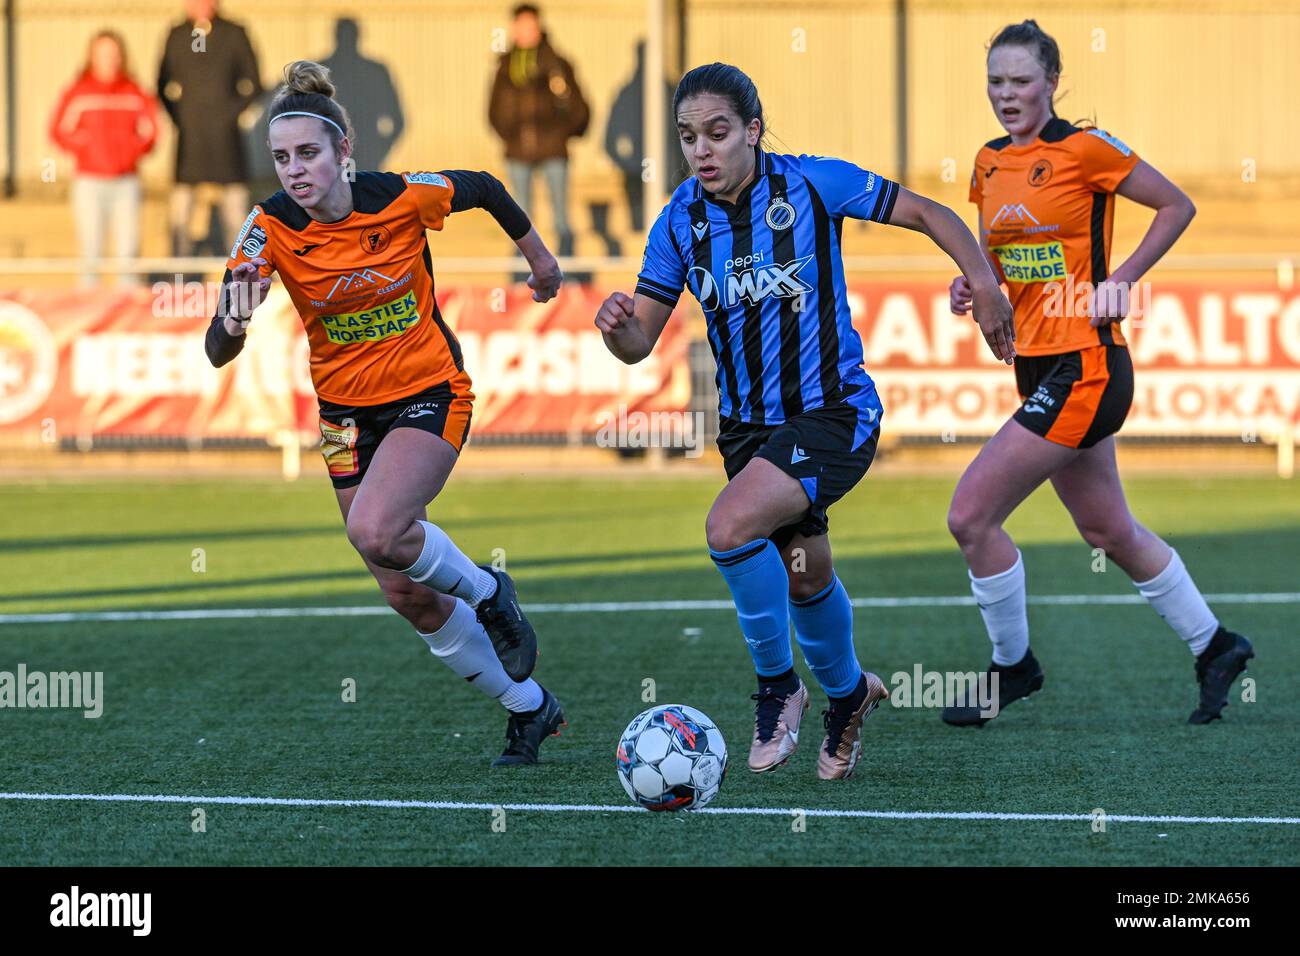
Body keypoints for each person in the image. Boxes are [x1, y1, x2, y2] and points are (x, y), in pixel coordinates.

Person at [596, 63, 1015, 780]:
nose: (703, 150)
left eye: (719, 133)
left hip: (834, 413)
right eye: (689, 136)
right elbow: (641, 342)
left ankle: (778, 686)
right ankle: (850, 695)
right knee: (805, 576)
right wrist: (616, 332)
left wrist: (983, 281)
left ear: (753, 131)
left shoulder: (812, 183)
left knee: (728, 529)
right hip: (748, 432)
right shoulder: (679, 221)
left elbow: (931, 214)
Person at [204, 61, 567, 766]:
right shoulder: (266, 228)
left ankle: (493, 594)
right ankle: (530, 708)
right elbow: (218, 348)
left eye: (308, 153)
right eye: (282, 158)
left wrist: (540, 258)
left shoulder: (400, 197)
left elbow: (488, 187)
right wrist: (235, 319)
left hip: (428, 391)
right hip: (343, 415)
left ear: (345, 152)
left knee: (377, 526)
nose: (295, 170)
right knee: (404, 590)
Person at [943, 20, 1254, 728]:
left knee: (970, 515)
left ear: (1053, 82)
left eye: (1021, 81)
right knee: (1108, 530)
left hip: (1088, 369)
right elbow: (1005, 259)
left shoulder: (1085, 149)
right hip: (1038, 367)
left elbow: (1179, 204)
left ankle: (1011, 667)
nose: (1006, 94)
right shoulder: (988, 163)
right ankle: (1216, 645)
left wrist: (1126, 278)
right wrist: (975, 287)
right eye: (995, 81)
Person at [48, 31, 158, 288]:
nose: (109, 60)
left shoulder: (134, 92)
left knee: (127, 253)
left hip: (126, 184)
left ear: (121, 56)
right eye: (102, 54)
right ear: (92, 57)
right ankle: (88, 317)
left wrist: (130, 150)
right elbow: (58, 130)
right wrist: (86, 147)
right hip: (89, 183)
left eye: (113, 54)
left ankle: (126, 317)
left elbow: (151, 131)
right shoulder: (78, 92)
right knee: (90, 252)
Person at [158, 0, 262, 257]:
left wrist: (229, 115)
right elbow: (161, 84)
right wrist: (181, 118)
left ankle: (241, 275)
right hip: (190, 140)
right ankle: (179, 279)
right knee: (180, 214)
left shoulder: (234, 33)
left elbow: (254, 83)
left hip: (226, 140)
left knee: (235, 212)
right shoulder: (177, 34)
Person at [488, 3, 589, 257]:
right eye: (520, 25)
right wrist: (508, 134)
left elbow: (578, 106)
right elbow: (493, 108)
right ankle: (524, 278)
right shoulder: (504, 65)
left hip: (552, 149)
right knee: (519, 218)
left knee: (561, 216)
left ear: (539, 27)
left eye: (530, 25)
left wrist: (562, 134)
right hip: (517, 151)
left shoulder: (557, 62)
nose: (525, 31)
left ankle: (567, 274)